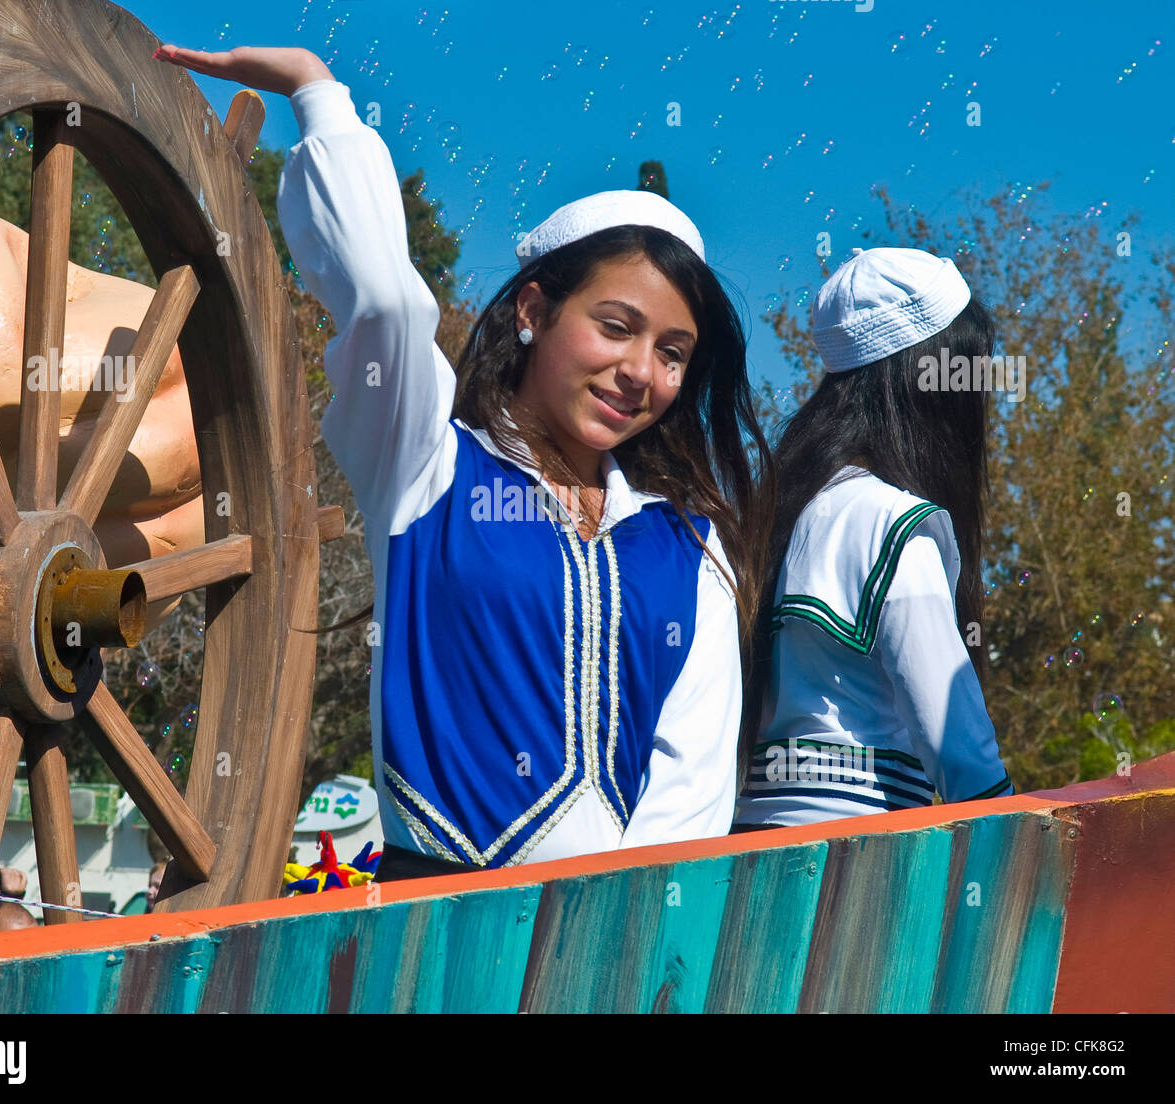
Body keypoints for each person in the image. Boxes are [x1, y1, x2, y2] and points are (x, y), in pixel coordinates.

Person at [155, 44, 772, 876]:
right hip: (424, 937)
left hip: (607, 951)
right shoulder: (425, 465)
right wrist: (318, 93)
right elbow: (384, 303)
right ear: (533, 310)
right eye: (616, 327)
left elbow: (689, 799)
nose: (641, 372)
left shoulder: (693, 551)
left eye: (673, 352)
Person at [734, 247, 1013, 829]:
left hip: (741, 837)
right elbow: (957, 740)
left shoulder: (776, 508)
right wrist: (1020, 837)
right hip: (856, 858)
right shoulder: (894, 522)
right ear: (932, 383)